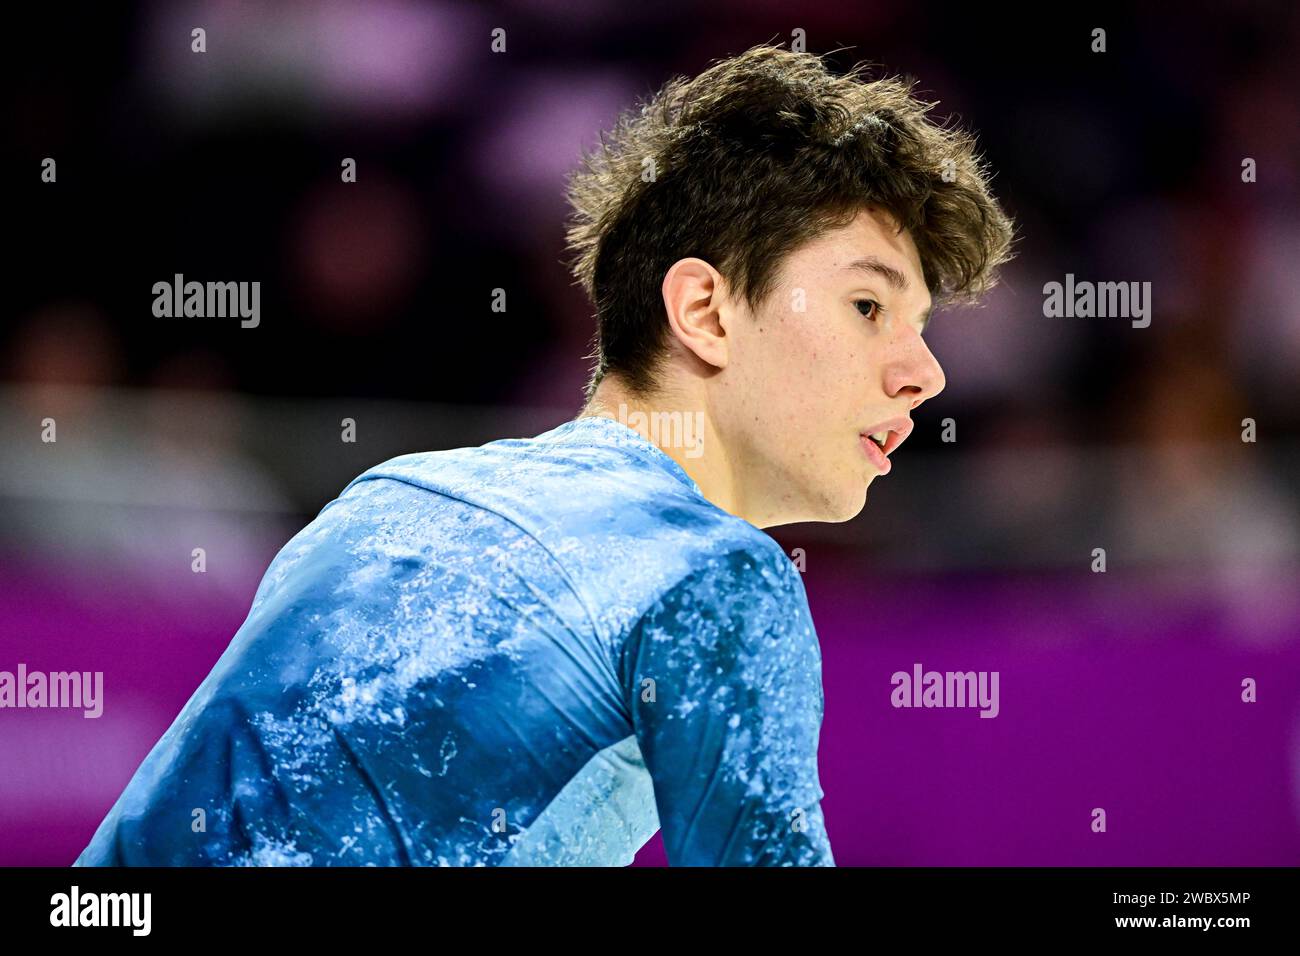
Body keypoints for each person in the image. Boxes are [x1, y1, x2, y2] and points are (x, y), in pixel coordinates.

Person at [74, 43, 1014, 867]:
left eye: (922, 327)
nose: (924, 373)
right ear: (704, 310)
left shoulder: (382, 498)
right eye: (869, 306)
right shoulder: (713, 575)